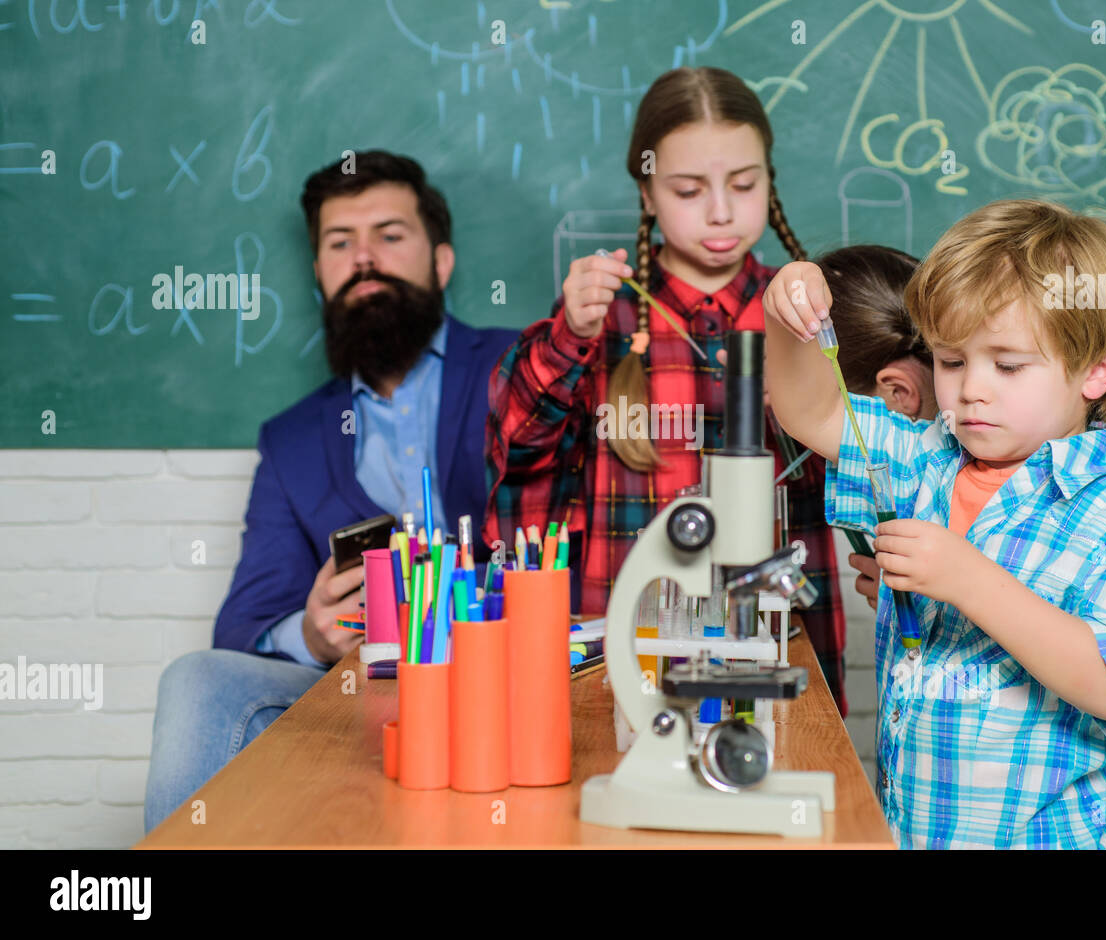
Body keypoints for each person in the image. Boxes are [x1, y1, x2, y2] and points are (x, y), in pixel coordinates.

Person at [765, 200, 1106, 848]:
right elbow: (809, 411)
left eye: (1008, 365)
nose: (972, 390)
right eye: (952, 362)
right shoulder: (921, 459)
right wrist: (785, 316)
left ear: (1096, 370)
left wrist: (969, 579)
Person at [144, 151, 518, 832]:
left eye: (390, 235)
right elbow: (239, 629)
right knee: (197, 679)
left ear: (441, 261)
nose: (364, 258)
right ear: (319, 274)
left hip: (500, 675)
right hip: (361, 691)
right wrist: (312, 635)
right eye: (340, 243)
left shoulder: (521, 368)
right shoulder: (290, 441)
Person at [483, 67, 849, 713]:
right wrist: (568, 333)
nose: (720, 211)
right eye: (687, 189)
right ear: (647, 193)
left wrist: (809, 382)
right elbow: (514, 451)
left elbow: (870, 470)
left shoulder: (800, 313)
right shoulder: (604, 322)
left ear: (770, 181)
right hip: (626, 660)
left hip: (779, 655)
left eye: (744, 184)